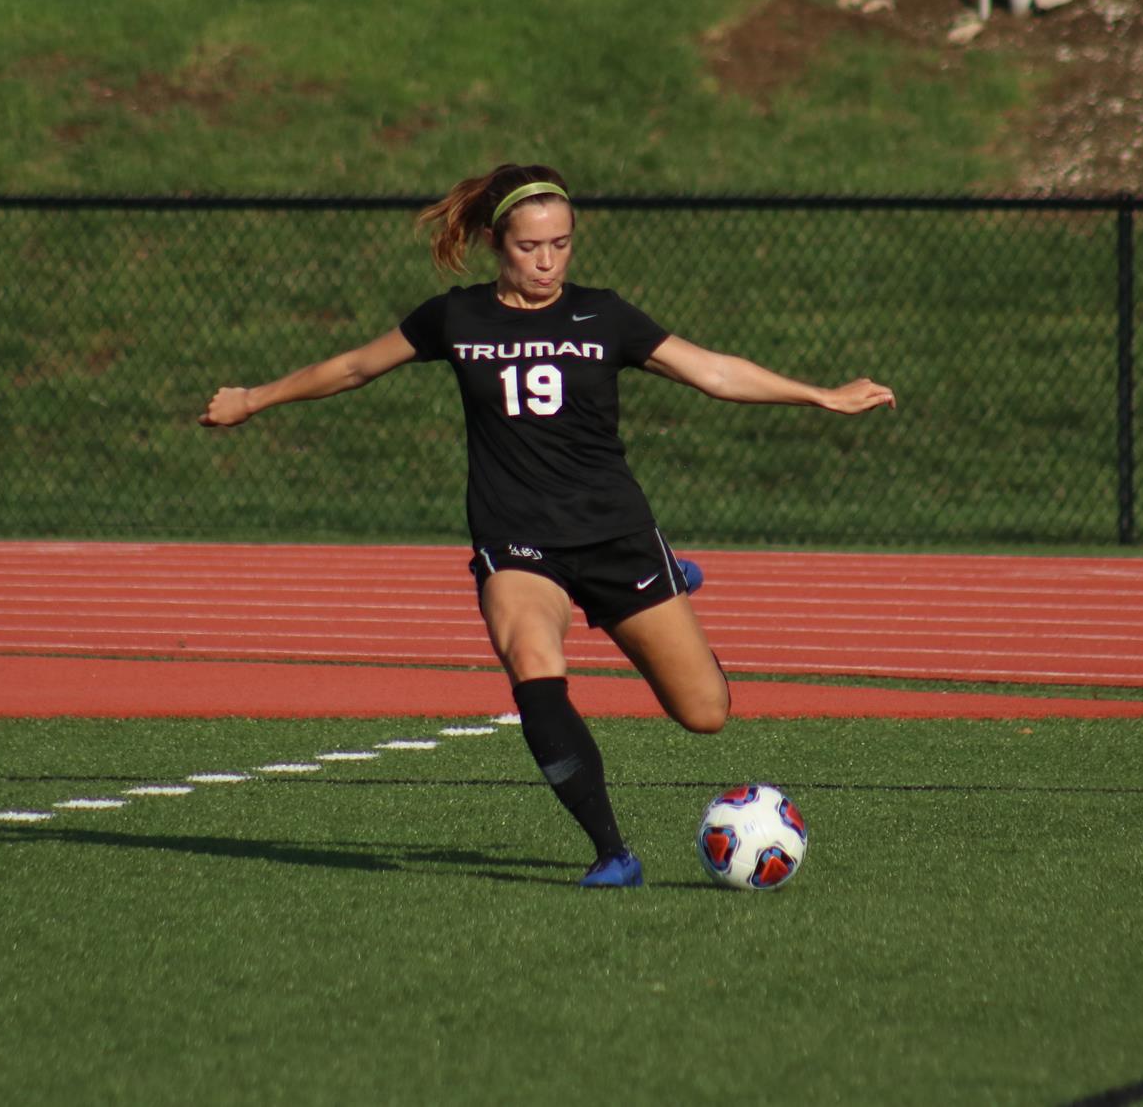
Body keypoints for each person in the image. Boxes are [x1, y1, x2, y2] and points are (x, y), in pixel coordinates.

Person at [200, 163, 895, 887]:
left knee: (706, 713)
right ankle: (611, 851)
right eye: (532, 246)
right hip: (517, 539)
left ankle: (668, 581)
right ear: (497, 242)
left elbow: (713, 371)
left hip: (614, 532)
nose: (548, 260)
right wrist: (253, 398)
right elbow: (351, 367)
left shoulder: (604, 315)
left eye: (561, 244)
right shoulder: (456, 317)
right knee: (532, 662)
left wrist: (820, 395)